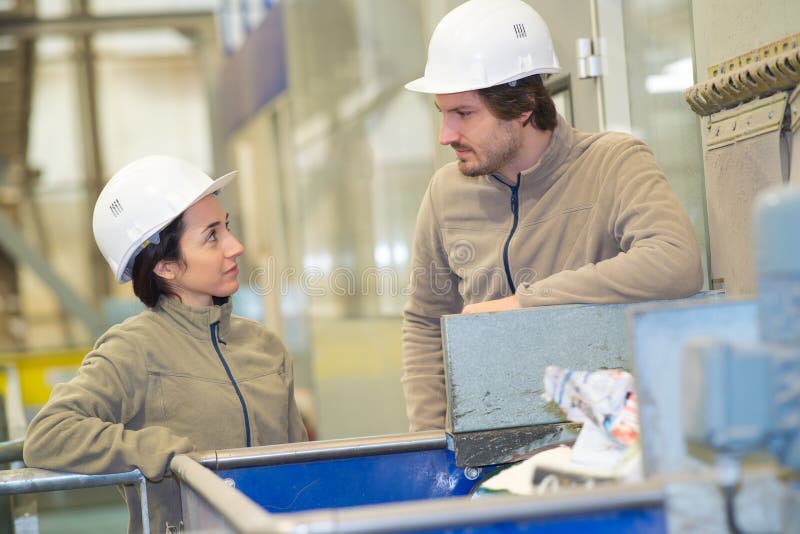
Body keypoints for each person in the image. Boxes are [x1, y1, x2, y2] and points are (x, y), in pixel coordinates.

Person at [401, 0, 703, 432]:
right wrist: (428, 448)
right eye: (442, 113)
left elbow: (675, 259)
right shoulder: (445, 192)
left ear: (523, 105)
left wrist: (524, 304)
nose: (446, 135)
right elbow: (426, 322)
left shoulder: (613, 163)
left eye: (463, 114)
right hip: (485, 455)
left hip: (599, 447)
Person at [23, 155, 307, 532]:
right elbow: (49, 435)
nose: (235, 246)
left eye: (227, 227)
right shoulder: (133, 349)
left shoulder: (265, 346)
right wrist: (155, 451)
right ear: (165, 266)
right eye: (212, 236)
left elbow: (304, 468)